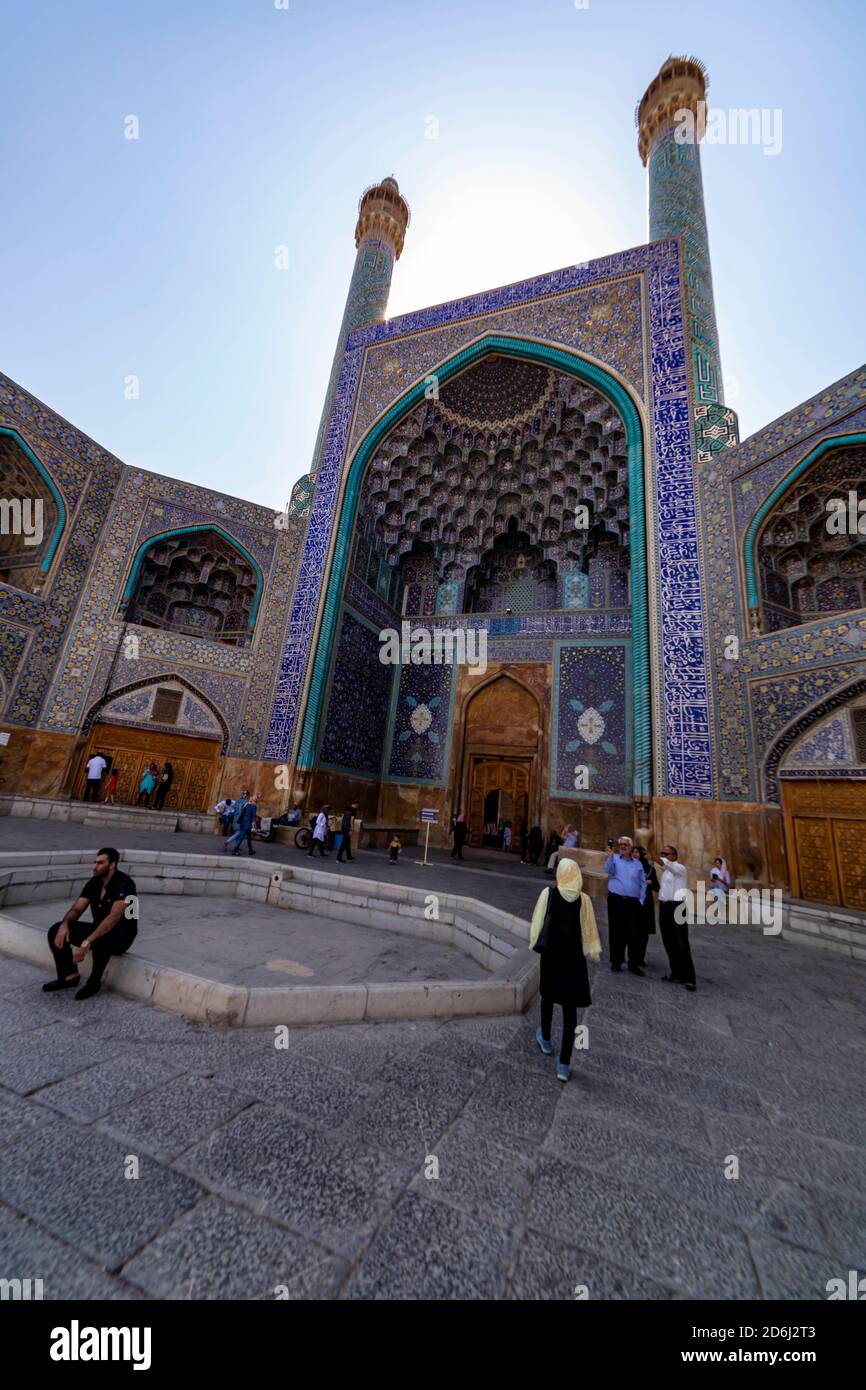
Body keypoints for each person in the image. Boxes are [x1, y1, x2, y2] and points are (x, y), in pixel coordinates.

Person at [530, 858, 601, 1083]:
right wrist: (592, 951)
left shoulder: (548, 894)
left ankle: (546, 1038)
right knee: (570, 1012)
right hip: (574, 961)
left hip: (551, 956)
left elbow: (537, 924)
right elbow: (589, 931)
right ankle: (564, 1064)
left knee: (547, 997)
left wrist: (534, 944)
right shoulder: (585, 900)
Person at [43, 847, 138, 1001]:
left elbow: (114, 917)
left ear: (112, 864)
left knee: (102, 937)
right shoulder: (95, 882)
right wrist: (65, 924)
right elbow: (77, 909)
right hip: (100, 929)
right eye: (95, 862)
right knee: (56, 930)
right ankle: (69, 976)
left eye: (100, 863)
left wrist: (88, 941)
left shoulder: (125, 883)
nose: (94, 866)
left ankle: (94, 983)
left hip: (122, 935)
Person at [604, 835, 647, 974]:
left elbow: (643, 883)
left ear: (631, 847)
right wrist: (609, 857)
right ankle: (616, 961)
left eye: (625, 844)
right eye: (620, 844)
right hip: (616, 900)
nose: (622, 846)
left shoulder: (638, 864)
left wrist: (641, 900)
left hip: (633, 903)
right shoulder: (614, 859)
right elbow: (608, 871)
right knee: (616, 931)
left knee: (633, 933)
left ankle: (633, 964)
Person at [658, 844, 696, 991]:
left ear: (674, 856)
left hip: (678, 907)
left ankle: (690, 978)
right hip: (665, 907)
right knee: (669, 941)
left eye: (666, 854)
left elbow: (668, 865)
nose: (664, 856)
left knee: (682, 942)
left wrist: (658, 858)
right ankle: (676, 973)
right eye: (662, 853)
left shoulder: (680, 869)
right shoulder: (666, 872)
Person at [634, 844, 659, 969]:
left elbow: (657, 888)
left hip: (646, 904)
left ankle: (640, 958)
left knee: (643, 932)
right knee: (633, 930)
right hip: (634, 902)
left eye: (637, 852)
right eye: (634, 852)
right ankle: (633, 956)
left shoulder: (650, 869)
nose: (635, 854)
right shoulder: (631, 866)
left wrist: (651, 882)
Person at [226, 791, 258, 856]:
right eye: (254, 797)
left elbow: (242, 813)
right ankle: (235, 850)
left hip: (244, 822)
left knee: (249, 838)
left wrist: (240, 821)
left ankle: (251, 851)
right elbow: (253, 816)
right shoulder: (254, 806)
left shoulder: (247, 805)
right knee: (241, 838)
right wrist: (254, 823)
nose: (252, 798)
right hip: (247, 824)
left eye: (253, 797)